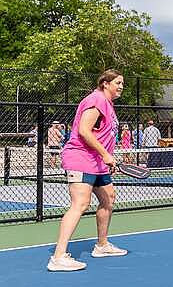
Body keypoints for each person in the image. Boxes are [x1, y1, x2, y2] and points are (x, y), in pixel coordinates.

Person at [47, 70, 128, 271]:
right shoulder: (96, 99)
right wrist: (106, 155)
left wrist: (107, 159)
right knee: (80, 204)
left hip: (98, 162)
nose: (121, 86)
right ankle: (58, 257)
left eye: (122, 83)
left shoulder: (108, 105)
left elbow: (102, 135)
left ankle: (102, 245)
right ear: (105, 83)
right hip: (81, 158)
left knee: (108, 199)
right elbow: (84, 130)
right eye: (117, 82)